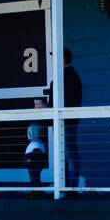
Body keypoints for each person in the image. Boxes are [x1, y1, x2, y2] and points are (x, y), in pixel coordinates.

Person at [41, 47, 83, 187]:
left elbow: (65, 102)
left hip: (67, 122)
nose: (53, 61)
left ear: (63, 59)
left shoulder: (67, 77)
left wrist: (45, 107)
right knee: (65, 154)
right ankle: (66, 186)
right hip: (65, 122)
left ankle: (71, 187)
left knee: (69, 154)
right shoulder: (67, 76)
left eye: (56, 58)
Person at [24, 123, 47, 188]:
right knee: (34, 177)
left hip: (33, 165)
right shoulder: (37, 143)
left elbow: (37, 152)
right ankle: (36, 191)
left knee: (34, 178)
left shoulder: (36, 144)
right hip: (33, 165)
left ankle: (36, 191)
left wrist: (30, 159)